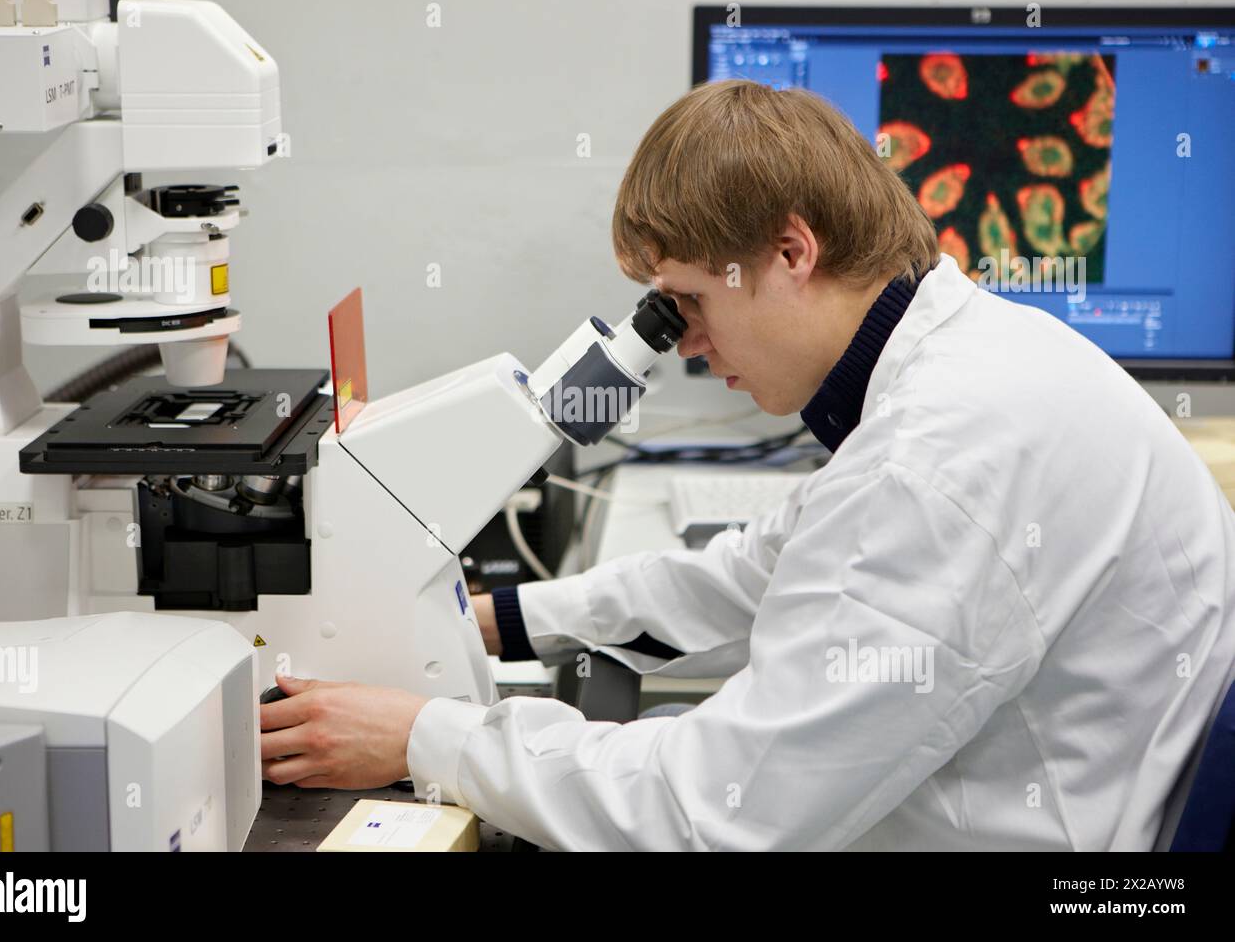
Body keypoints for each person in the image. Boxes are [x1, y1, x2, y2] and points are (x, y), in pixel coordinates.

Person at [258, 80, 1235, 850]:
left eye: (683, 300)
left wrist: (425, 739)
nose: (679, 344)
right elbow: (761, 568)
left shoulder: (933, 464)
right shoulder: (968, 357)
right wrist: (497, 618)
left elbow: (710, 813)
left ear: (790, 252)